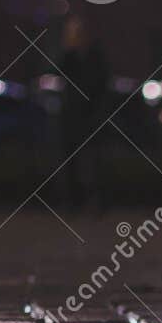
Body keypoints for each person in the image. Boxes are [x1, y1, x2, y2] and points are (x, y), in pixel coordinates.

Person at [59, 15, 110, 212]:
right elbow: (60, 75)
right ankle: (74, 201)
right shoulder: (69, 57)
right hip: (72, 117)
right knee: (71, 161)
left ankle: (96, 200)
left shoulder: (95, 56)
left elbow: (101, 84)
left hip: (91, 117)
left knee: (94, 162)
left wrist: (98, 111)